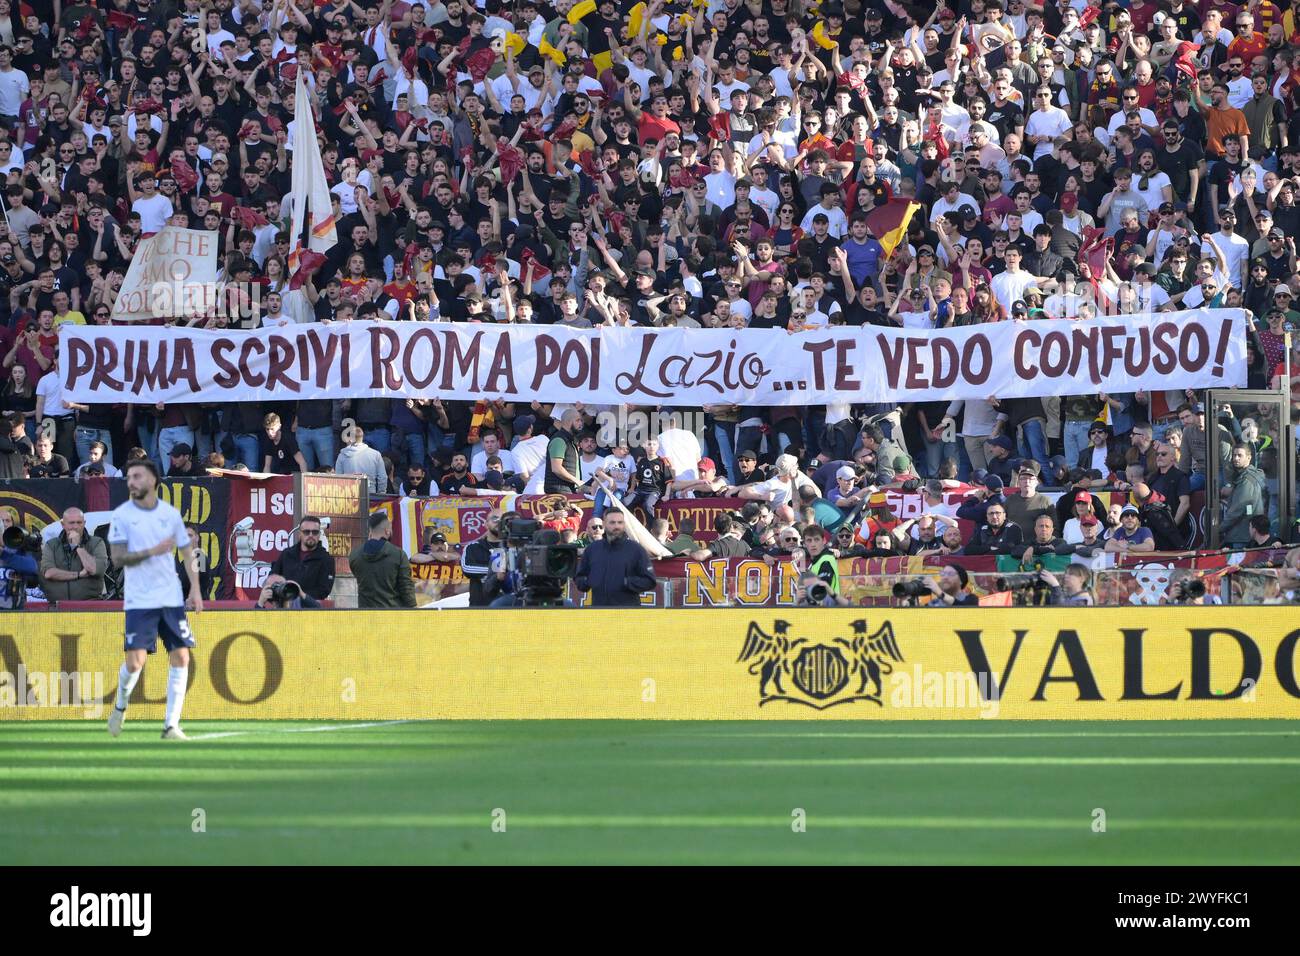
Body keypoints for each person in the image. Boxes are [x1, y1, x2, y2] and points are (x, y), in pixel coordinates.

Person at [106, 460, 203, 741]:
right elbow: (117, 559)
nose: (131, 482)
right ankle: (121, 706)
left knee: (182, 655)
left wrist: (194, 589)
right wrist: (152, 550)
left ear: (153, 480)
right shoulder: (122, 516)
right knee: (135, 664)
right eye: (129, 477)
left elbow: (187, 554)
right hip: (139, 599)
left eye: (137, 476)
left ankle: (170, 725)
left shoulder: (170, 515)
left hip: (170, 597)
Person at [574, 510, 656, 607]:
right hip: (599, 612)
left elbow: (649, 581)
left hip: (628, 612)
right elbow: (579, 578)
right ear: (604, 525)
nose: (616, 526)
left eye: (620, 522)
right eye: (612, 522)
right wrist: (589, 581)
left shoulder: (636, 550)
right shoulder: (592, 550)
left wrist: (625, 582)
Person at [347, 511, 416, 609]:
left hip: (365, 616)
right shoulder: (399, 555)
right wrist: (414, 608)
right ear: (387, 531)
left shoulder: (355, 555)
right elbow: (406, 588)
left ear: (370, 531)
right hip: (392, 616)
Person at [39, 507, 109, 602]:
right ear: (63, 524)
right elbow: (49, 573)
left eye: (79, 523)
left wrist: (78, 546)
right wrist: (79, 575)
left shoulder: (97, 542)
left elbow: (94, 569)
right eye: (71, 523)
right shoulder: (51, 545)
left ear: (84, 523)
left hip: (90, 604)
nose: (75, 527)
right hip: (57, 606)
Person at [270, 515, 336, 602]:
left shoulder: (326, 560)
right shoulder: (286, 554)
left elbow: (323, 591)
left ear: (319, 534)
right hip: (285, 608)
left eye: (315, 532)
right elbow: (272, 579)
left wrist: (298, 595)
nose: (311, 535)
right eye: (306, 532)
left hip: (310, 610)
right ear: (300, 534)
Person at [1221, 442, 1267, 547]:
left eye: (1240, 455)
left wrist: (1218, 529)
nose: (1236, 458)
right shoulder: (1251, 476)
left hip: (1241, 536)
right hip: (1247, 534)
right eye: (1234, 455)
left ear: (1249, 458)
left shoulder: (1247, 480)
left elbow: (1237, 510)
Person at [335, 425, 386, 495]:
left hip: (349, 495)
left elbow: (338, 479)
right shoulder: (376, 454)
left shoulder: (342, 456)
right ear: (362, 437)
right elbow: (382, 477)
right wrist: (381, 494)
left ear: (350, 439)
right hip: (370, 495)